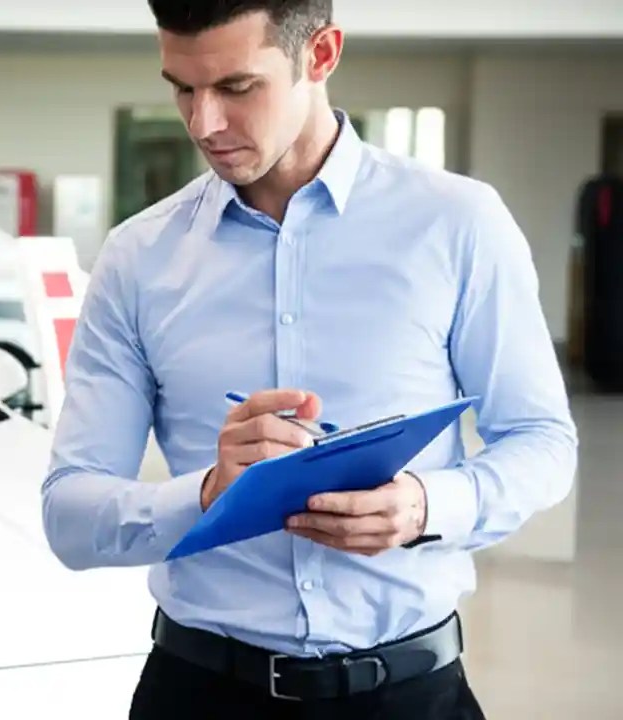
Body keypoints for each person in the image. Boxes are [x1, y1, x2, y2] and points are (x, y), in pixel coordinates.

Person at [39, 1, 579, 718]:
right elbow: (70, 513)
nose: (203, 124)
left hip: (410, 696)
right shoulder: (138, 258)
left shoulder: (458, 225)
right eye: (182, 88)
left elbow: (543, 443)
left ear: (320, 55)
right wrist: (206, 494)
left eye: (235, 87)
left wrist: (425, 506)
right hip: (197, 694)